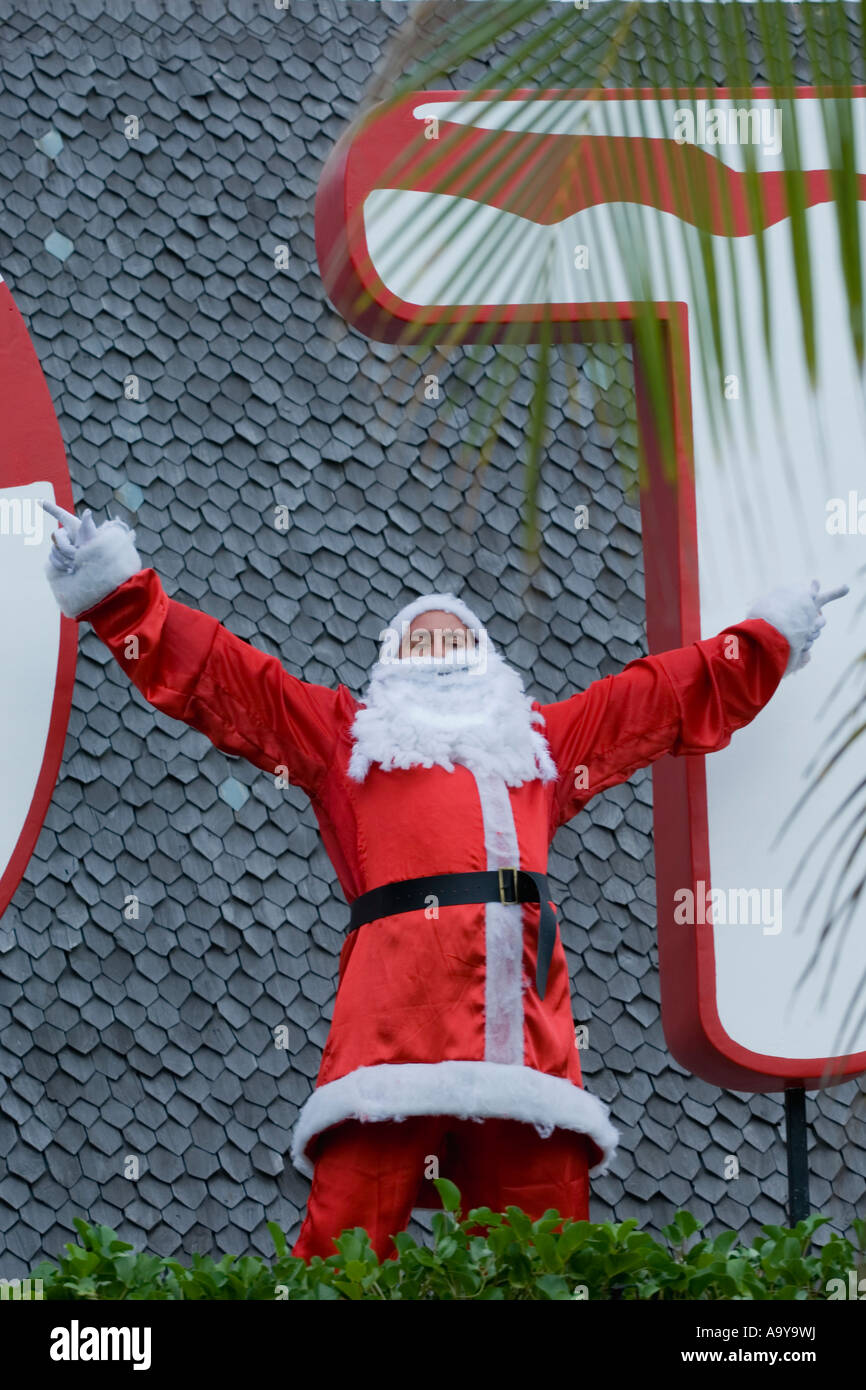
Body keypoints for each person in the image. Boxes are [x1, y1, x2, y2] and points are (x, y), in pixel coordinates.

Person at [40, 499, 848, 1261]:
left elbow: (660, 700)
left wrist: (766, 636)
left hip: (523, 1048)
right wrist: (118, 593)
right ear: (390, 668)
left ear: (491, 668)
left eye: (455, 640)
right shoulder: (341, 743)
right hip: (388, 1038)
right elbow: (227, 680)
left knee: (540, 1253)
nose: (439, 651)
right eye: (419, 641)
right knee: (342, 1244)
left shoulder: (541, 750)